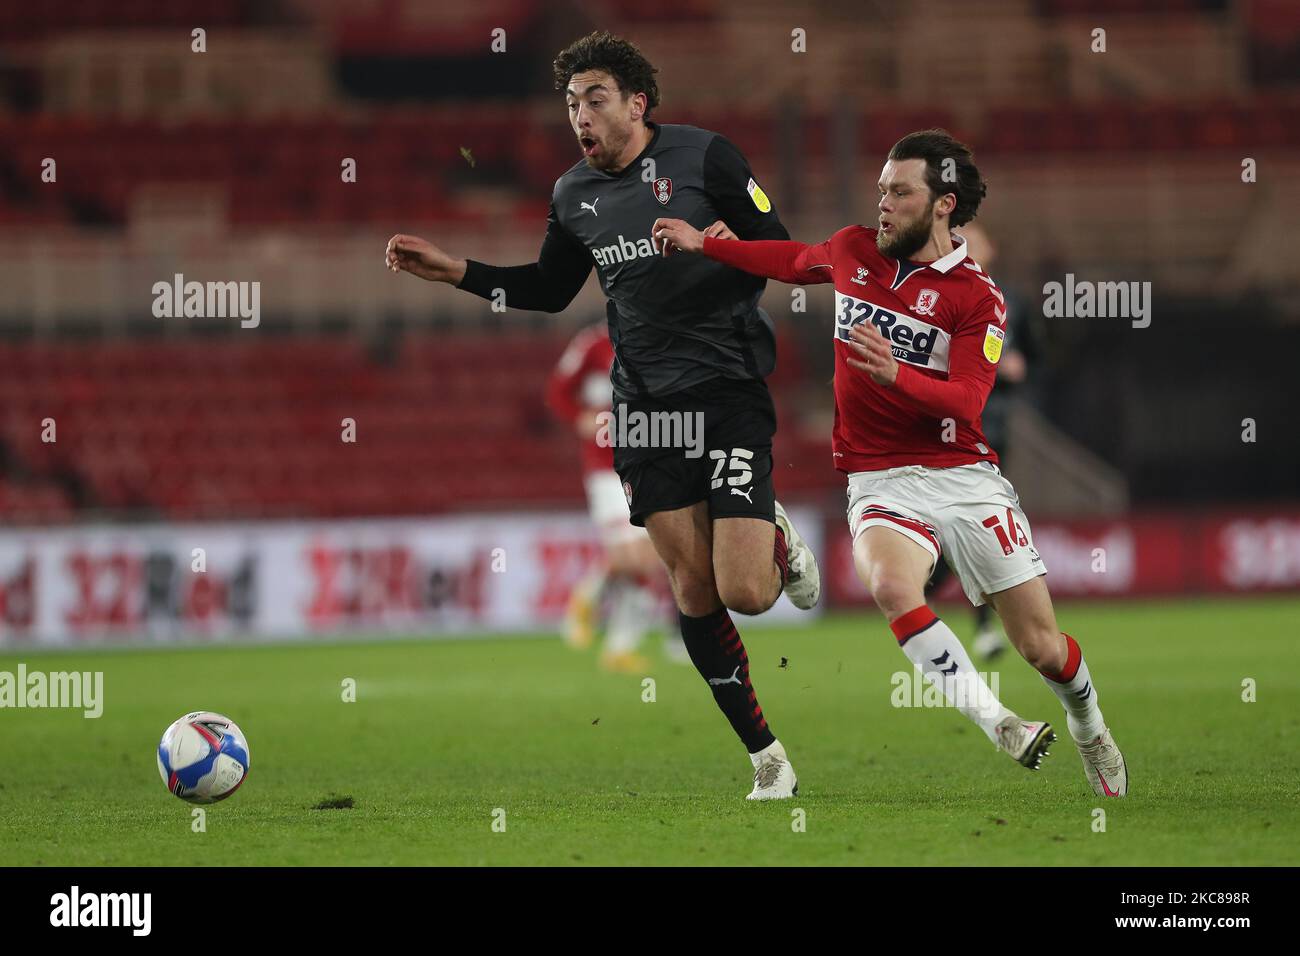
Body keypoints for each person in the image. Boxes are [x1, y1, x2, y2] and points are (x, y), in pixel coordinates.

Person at [384, 32, 820, 800]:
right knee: (692, 587)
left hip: (725, 389)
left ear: (637, 103)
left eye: (594, 99)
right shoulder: (571, 194)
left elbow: (784, 251)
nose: (579, 116)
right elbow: (551, 289)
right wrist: (454, 271)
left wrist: (715, 246)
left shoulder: (707, 158)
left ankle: (774, 537)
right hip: (644, 406)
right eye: (570, 104)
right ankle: (767, 760)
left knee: (748, 591)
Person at [650, 129, 1128, 797]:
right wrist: (712, 245)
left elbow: (966, 401)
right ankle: (1002, 725)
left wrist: (896, 373)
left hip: (964, 477)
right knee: (892, 587)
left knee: (1043, 648)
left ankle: (1089, 726)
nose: (884, 204)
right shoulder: (853, 250)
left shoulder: (977, 299)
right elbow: (791, 259)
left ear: (942, 204)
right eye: (881, 191)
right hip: (879, 478)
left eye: (900, 192)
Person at [545, 321, 683, 672]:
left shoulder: (662, 338)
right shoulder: (593, 343)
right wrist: (578, 417)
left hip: (648, 462)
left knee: (648, 560)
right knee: (645, 557)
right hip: (606, 466)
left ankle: (617, 643)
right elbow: (558, 390)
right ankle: (593, 600)